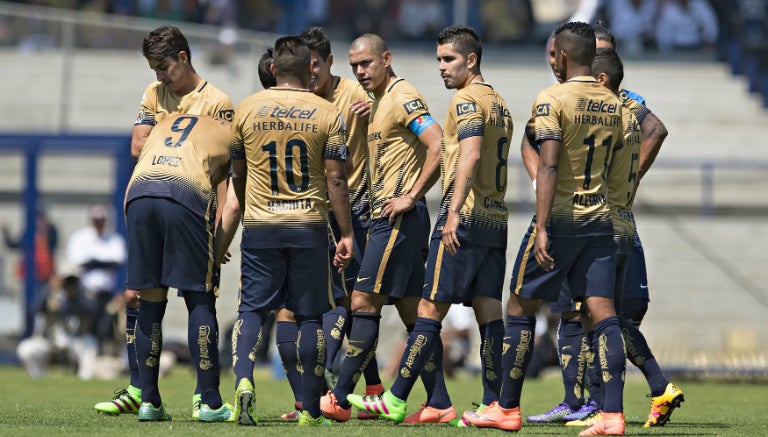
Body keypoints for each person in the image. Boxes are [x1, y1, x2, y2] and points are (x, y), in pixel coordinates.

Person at [463, 22, 627, 435]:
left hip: (560, 220)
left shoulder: (553, 98)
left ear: (563, 56)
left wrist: (541, 227)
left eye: (553, 55)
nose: (551, 61)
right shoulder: (613, 104)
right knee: (604, 314)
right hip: (600, 220)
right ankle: (612, 415)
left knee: (519, 306)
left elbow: (549, 163)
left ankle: (506, 408)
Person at [346, 25, 512, 425]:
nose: (441, 67)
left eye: (449, 59)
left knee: (427, 307)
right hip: (495, 217)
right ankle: (495, 404)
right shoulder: (499, 102)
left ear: (471, 60)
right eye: (439, 59)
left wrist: (451, 212)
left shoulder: (467, 100)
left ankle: (397, 396)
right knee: (489, 309)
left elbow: (468, 154)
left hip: (467, 216)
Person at [93, 24, 234, 419]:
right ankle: (145, 392)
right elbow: (137, 145)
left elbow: (221, 170)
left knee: (194, 297)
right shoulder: (153, 92)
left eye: (163, 67)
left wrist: (220, 229)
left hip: (187, 198)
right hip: (159, 190)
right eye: (153, 68)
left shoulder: (218, 100)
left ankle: (191, 395)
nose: (158, 76)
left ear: (183, 58)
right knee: (144, 295)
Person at [226, 35, 354, 427]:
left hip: (261, 225)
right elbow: (336, 180)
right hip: (308, 226)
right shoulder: (327, 112)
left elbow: (238, 173)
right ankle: (310, 409)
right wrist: (346, 233)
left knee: (251, 309)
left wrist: (251, 212)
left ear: (273, 69)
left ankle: (244, 382)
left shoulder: (246, 109)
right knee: (311, 315)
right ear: (310, 69)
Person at [319, 33, 443, 422]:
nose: (359, 71)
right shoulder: (377, 102)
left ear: (386, 59)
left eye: (366, 63)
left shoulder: (403, 94)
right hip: (390, 216)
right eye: (354, 65)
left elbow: (438, 143)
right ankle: (439, 401)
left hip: (397, 216)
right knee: (411, 310)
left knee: (362, 301)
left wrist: (410, 195)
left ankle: (338, 398)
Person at [274, 26, 382, 421]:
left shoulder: (355, 97)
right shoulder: (300, 99)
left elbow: (388, 126)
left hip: (350, 213)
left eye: (315, 64)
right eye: (306, 66)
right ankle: (370, 390)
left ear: (328, 62)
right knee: (340, 306)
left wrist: (375, 110)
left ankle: (321, 396)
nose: (311, 72)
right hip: (311, 215)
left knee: (347, 304)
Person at [126, 113, 233, 422]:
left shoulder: (163, 124)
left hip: (138, 196)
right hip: (183, 195)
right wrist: (219, 246)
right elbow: (234, 204)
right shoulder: (232, 133)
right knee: (199, 297)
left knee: (150, 300)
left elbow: (132, 184)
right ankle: (210, 403)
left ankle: (149, 402)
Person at [16, 265, 97, 380]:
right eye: (67, 281)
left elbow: (91, 310)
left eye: (73, 281)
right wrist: (50, 292)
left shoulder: (83, 296)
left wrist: (72, 298)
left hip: (73, 343)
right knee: (25, 349)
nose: (69, 284)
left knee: (90, 343)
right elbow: (34, 309)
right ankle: (39, 379)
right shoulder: (50, 294)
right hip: (51, 341)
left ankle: (84, 380)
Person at [66, 205, 126, 355]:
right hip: (85, 293)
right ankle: (83, 359)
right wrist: (102, 263)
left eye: (101, 221)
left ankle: (99, 357)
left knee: (104, 328)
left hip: (105, 294)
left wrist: (92, 263)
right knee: (84, 327)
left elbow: (118, 260)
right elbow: (77, 261)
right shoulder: (81, 237)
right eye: (96, 221)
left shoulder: (113, 238)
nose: (99, 224)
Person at [2, 208, 58, 338]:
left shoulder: (50, 231)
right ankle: (27, 332)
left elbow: (53, 246)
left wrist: (45, 231)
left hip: (45, 277)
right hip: (29, 277)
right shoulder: (29, 232)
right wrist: (6, 233)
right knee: (27, 306)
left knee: (43, 306)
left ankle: (42, 334)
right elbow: (13, 245)